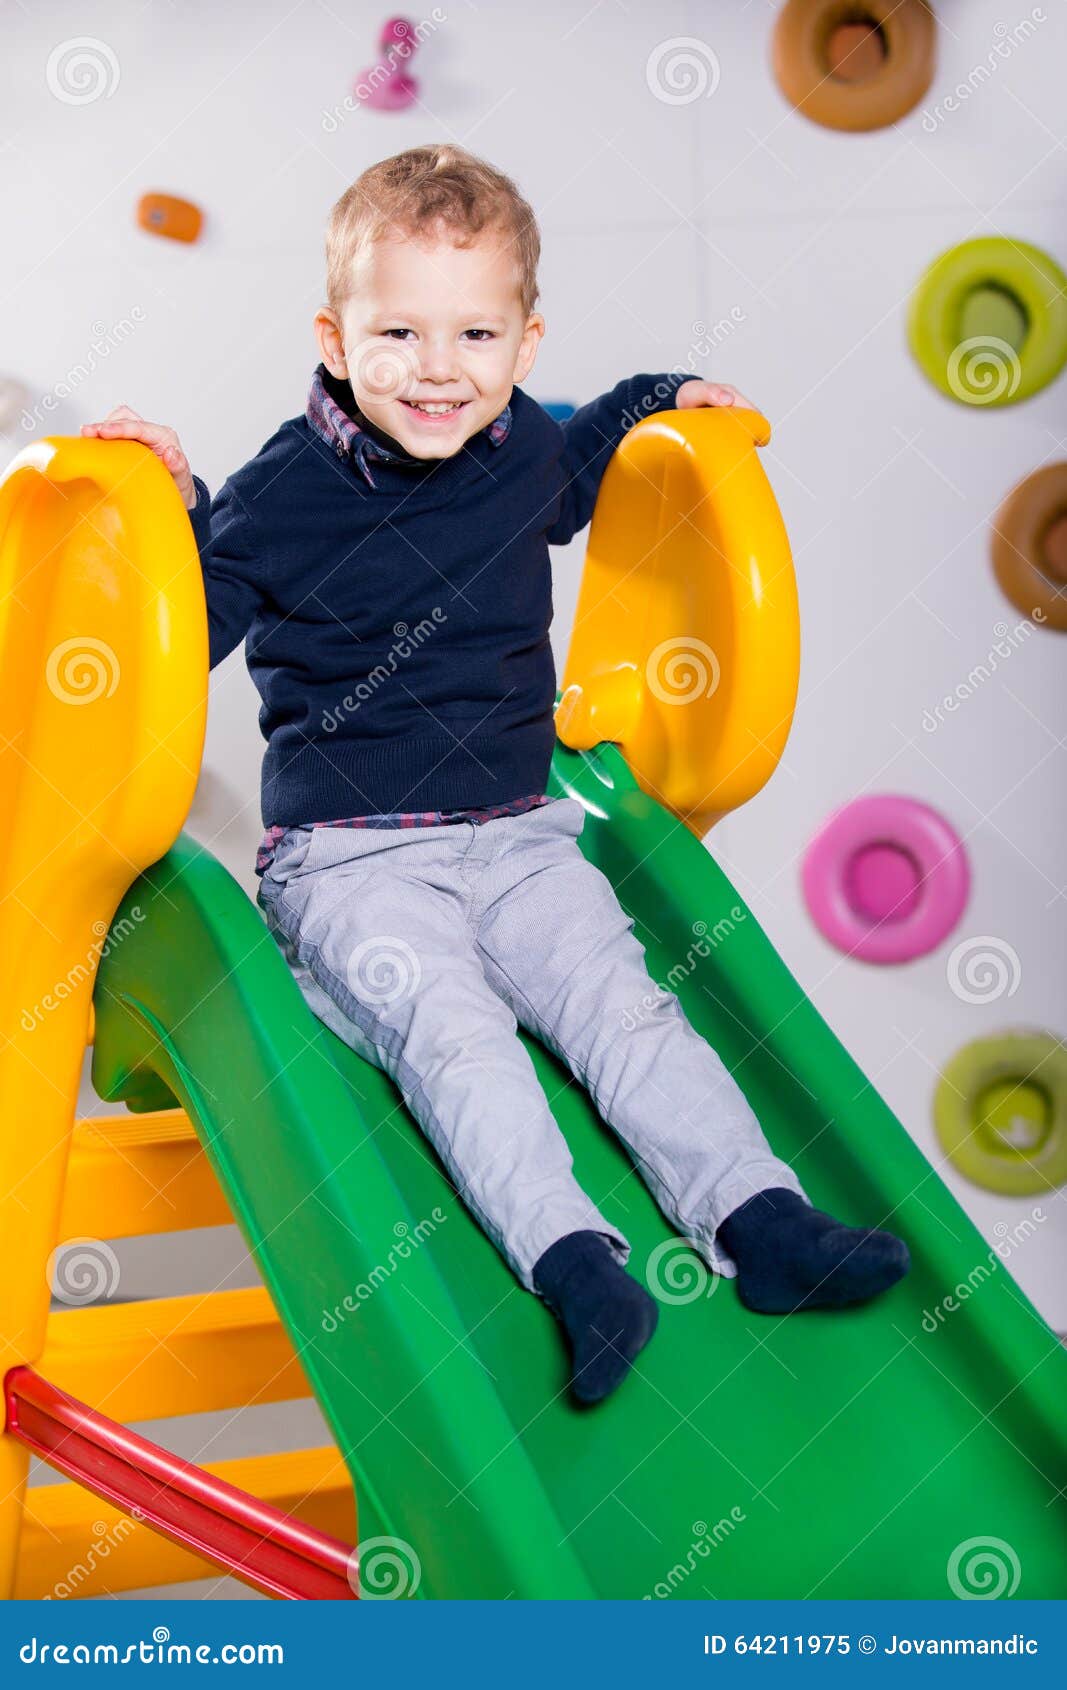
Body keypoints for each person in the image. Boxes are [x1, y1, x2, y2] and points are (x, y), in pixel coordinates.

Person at [84, 143, 909, 1407]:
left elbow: (601, 437)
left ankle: (756, 1221)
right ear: (333, 333)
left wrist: (667, 391)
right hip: (351, 864)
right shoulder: (283, 491)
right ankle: (578, 1263)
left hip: (521, 837)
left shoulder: (519, 445)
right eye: (399, 331)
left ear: (524, 346)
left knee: (623, 1009)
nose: (436, 368)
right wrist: (168, 503)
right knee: (460, 1043)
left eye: (475, 333)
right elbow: (180, 630)